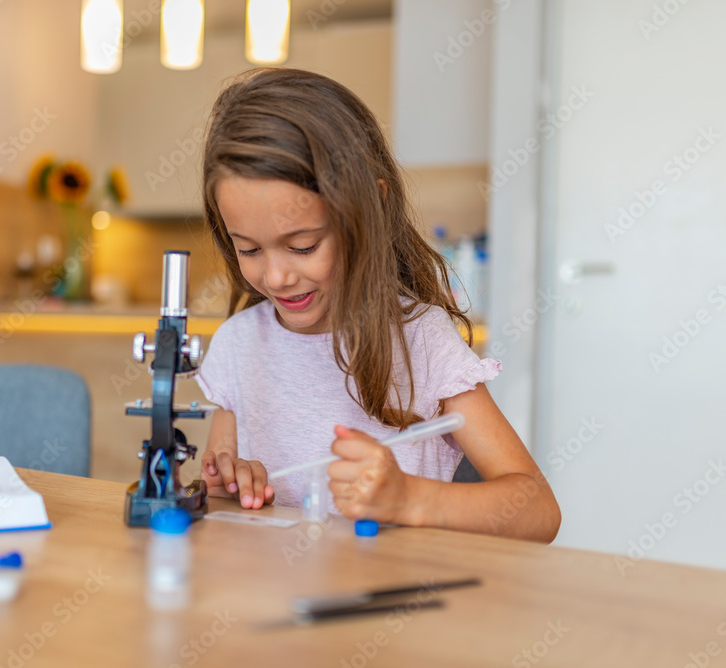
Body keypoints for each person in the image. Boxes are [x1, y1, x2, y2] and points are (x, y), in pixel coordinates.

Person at [193, 68, 560, 543]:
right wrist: (226, 485)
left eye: (303, 246)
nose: (276, 276)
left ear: (372, 208)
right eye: (249, 249)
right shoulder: (238, 344)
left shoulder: (421, 340)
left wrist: (409, 497)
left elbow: (538, 510)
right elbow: (219, 499)